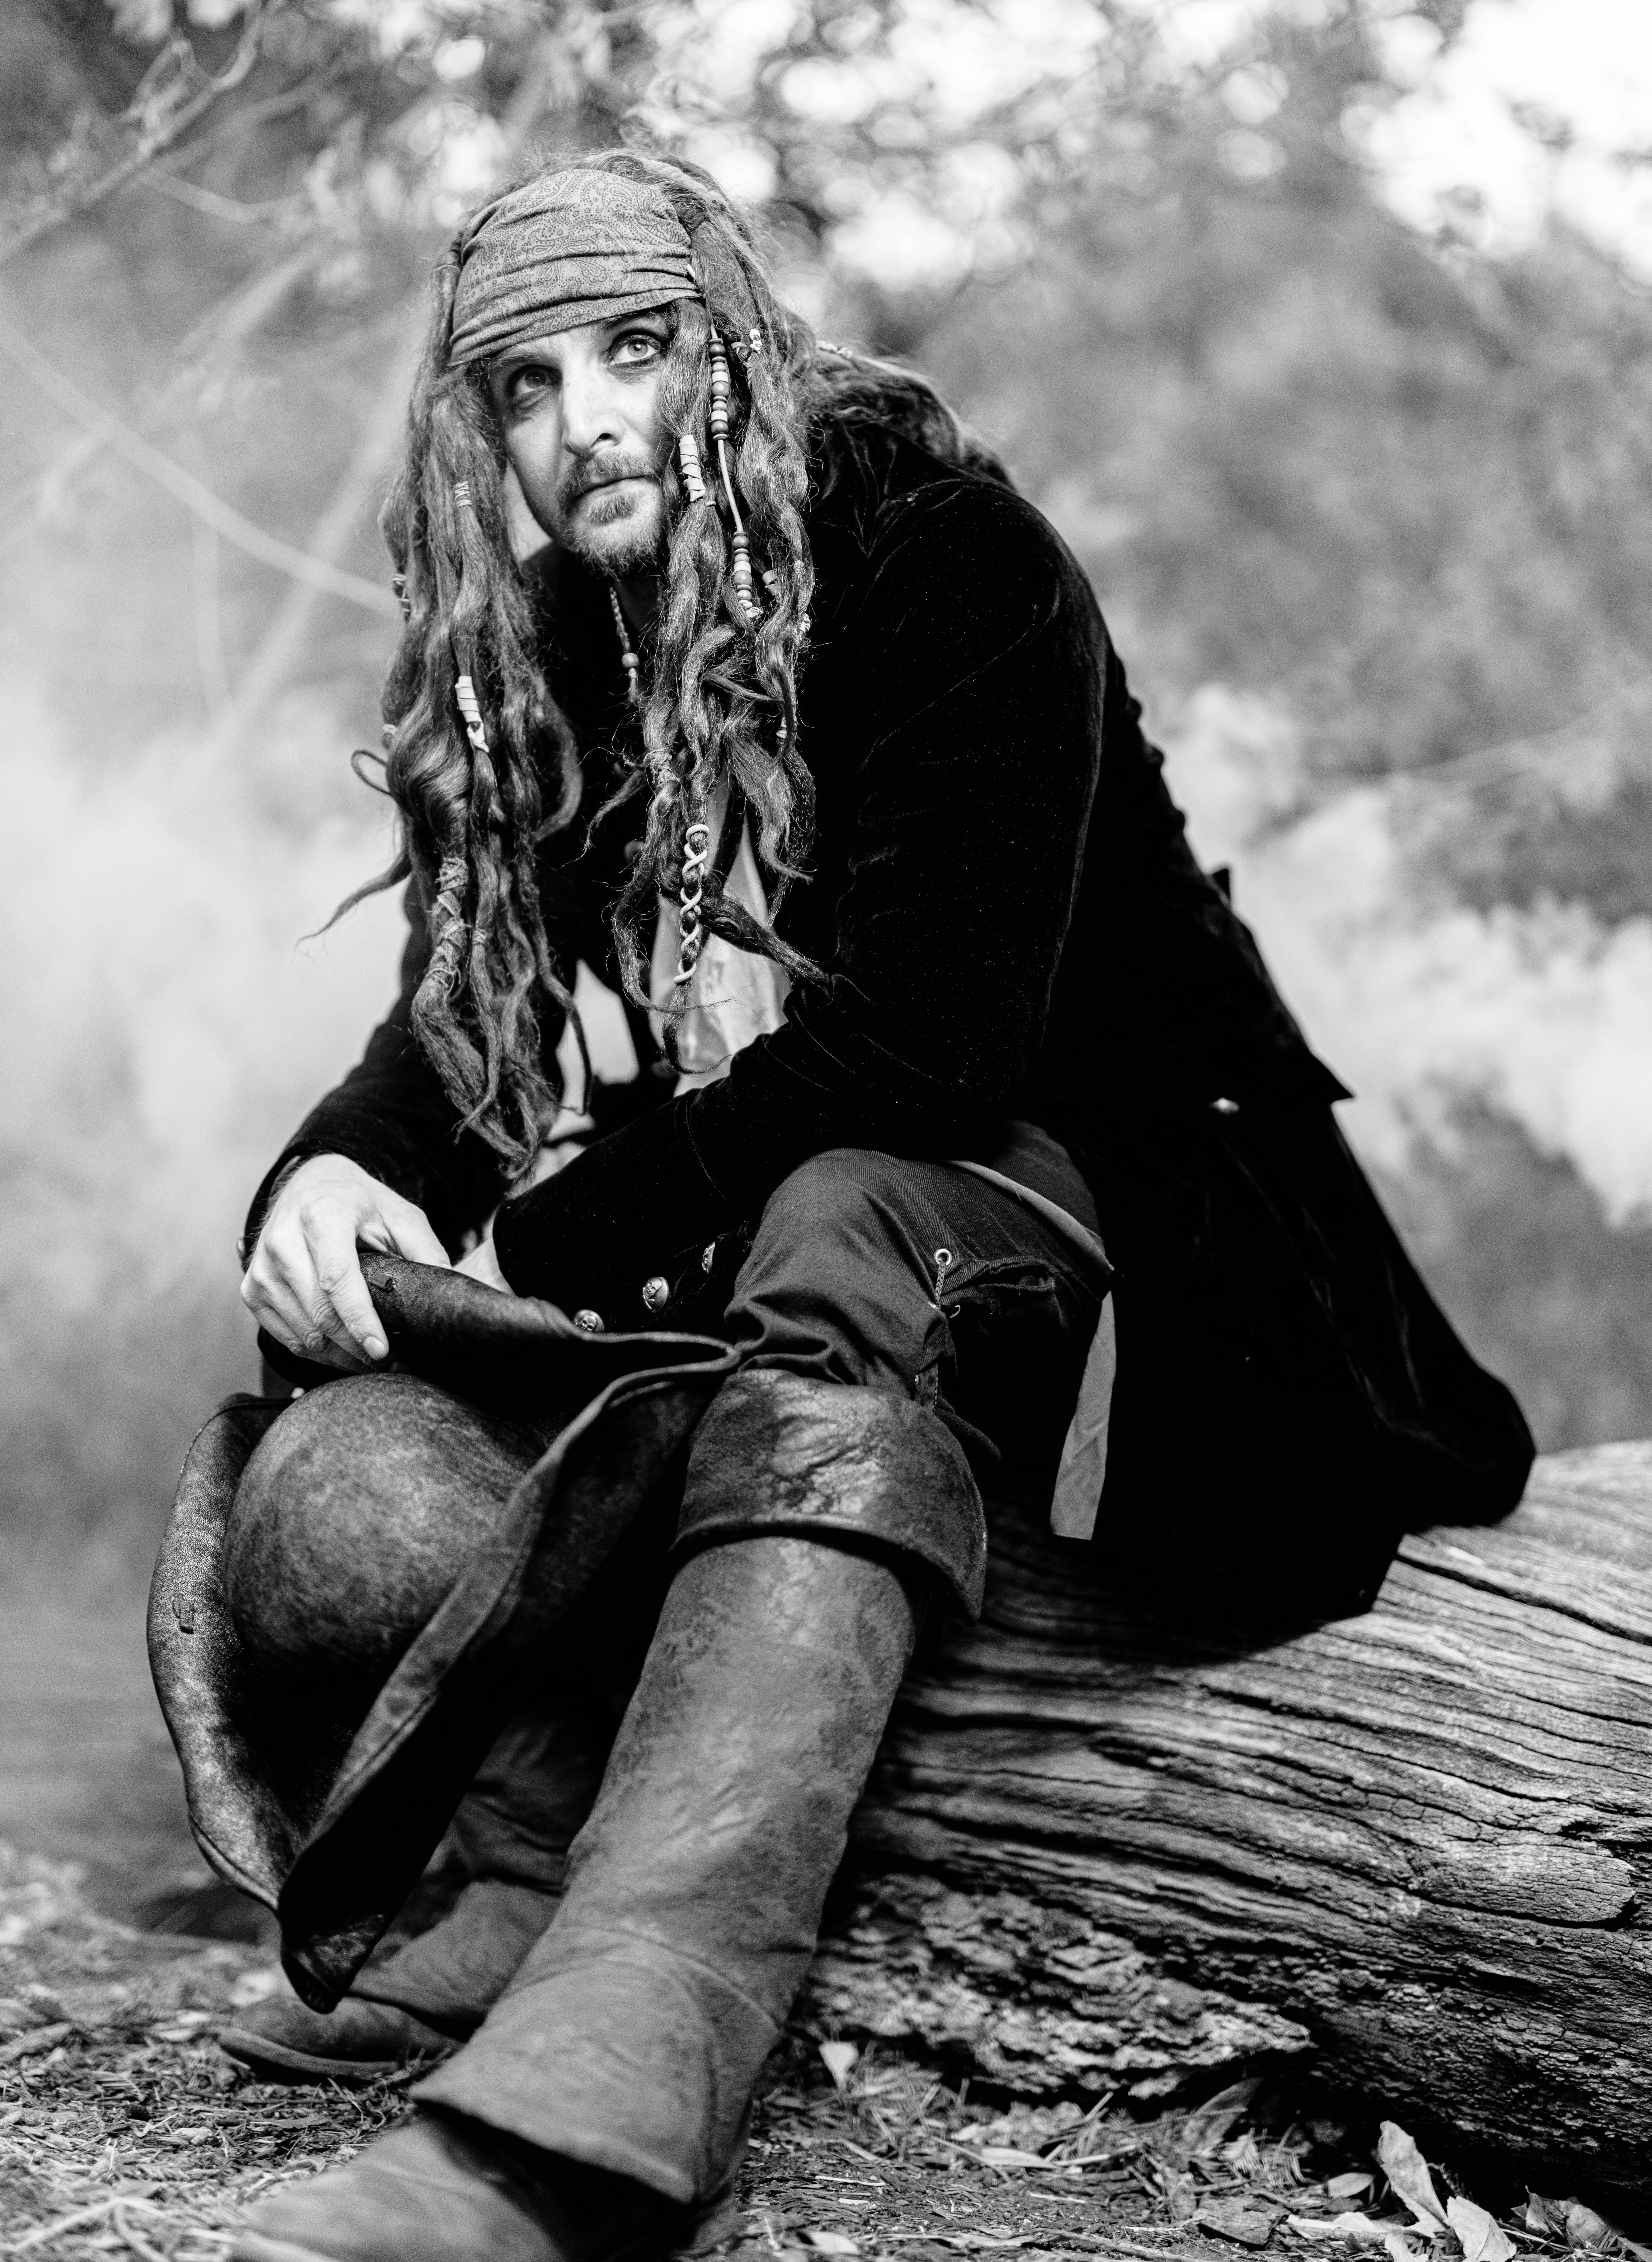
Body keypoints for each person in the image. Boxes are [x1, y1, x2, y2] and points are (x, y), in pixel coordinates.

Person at [182, 149, 1530, 2262]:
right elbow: (466, 1028)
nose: (585, 422)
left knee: (827, 1211)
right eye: (526, 385)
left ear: (733, 344)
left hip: (1139, 1249)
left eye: (634, 352)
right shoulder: (581, 640)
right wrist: (345, 1175)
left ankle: (610, 2079)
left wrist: (541, 1238)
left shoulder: (944, 560)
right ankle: (522, 1878)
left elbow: (925, 1054)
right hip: (813, 1224)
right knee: (394, 1387)